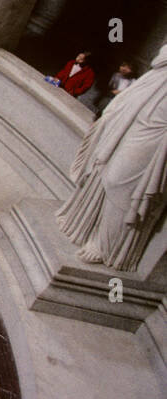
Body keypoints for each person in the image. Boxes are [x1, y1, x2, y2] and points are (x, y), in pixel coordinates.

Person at [57, 42, 167, 271]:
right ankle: (87, 225)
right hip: (143, 106)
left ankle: (105, 245)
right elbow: (161, 57)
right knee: (105, 167)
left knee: (121, 182)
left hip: (157, 128)